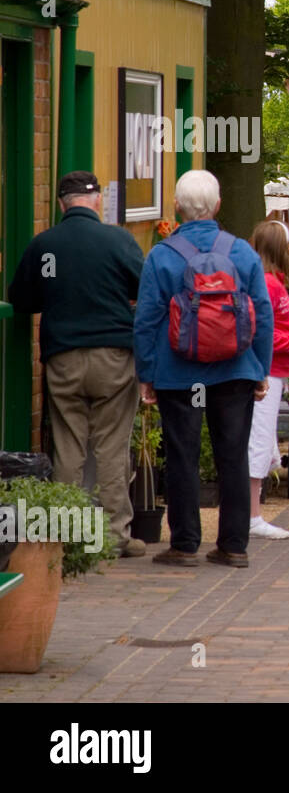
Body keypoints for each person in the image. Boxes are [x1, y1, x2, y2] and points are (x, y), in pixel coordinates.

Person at [134, 170, 273, 568]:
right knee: (233, 455)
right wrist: (260, 368)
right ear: (217, 205)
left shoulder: (162, 255)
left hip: (180, 373)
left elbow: (146, 319)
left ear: (177, 207)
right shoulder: (242, 252)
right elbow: (261, 314)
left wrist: (147, 373)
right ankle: (233, 546)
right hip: (234, 371)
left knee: (182, 455)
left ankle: (185, 544)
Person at [7, 172, 146, 557]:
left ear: (61, 203)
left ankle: (67, 537)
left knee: (68, 448)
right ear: (97, 200)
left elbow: (20, 298)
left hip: (63, 356)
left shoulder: (45, 245)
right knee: (112, 447)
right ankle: (116, 535)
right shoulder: (118, 240)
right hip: (114, 357)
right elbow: (144, 288)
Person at [246, 220, 289, 540]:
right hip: (268, 371)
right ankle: (252, 516)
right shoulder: (270, 284)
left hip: (274, 370)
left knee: (263, 441)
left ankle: (252, 513)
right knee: (259, 441)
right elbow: (261, 330)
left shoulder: (271, 282)